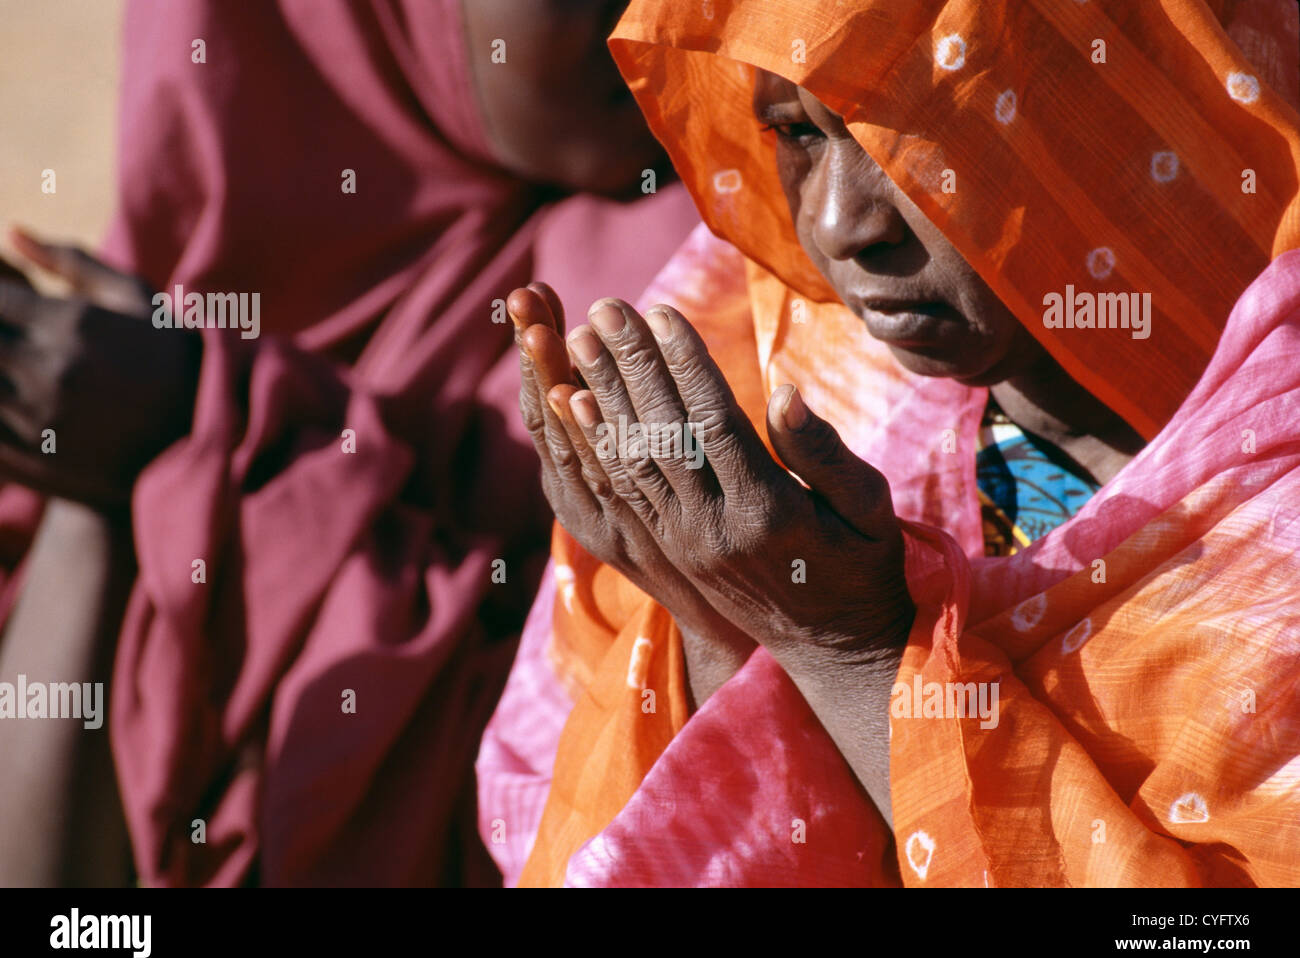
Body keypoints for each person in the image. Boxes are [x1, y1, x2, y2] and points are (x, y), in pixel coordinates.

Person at [481, 0, 1300, 886]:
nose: (839, 225)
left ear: (1137, 107)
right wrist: (708, 621)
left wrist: (847, 651)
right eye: (793, 131)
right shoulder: (772, 338)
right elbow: (541, 806)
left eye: (914, 133)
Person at [0, 0, 698, 886]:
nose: (652, 13)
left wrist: (201, 435)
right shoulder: (140, 320)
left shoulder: (724, 261)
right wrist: (114, 480)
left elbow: (610, 761)